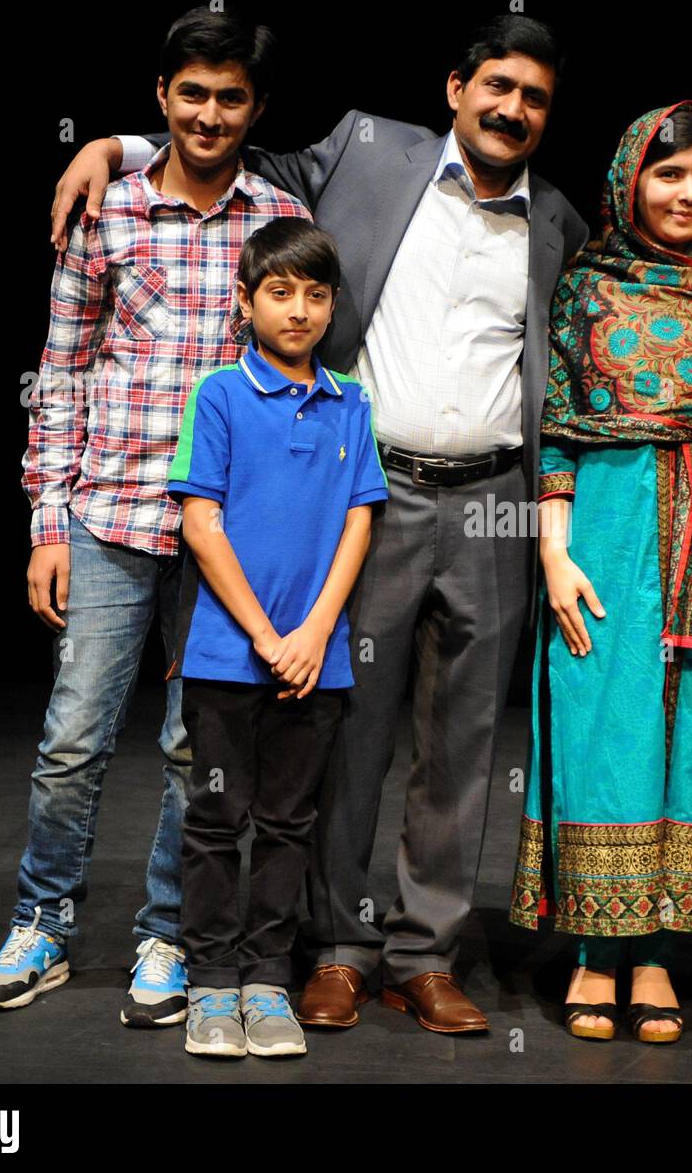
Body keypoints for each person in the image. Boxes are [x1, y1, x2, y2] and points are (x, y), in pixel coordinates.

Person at [48, 14, 587, 1034]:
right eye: (497, 87)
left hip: (490, 506)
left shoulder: (555, 219)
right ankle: (338, 944)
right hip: (372, 496)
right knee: (346, 731)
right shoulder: (368, 151)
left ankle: (426, 954)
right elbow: (222, 149)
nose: (512, 109)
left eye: (534, 98)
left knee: (461, 744)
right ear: (455, 87)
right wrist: (110, 145)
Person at [0, 8, 308, 1026]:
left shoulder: (277, 218)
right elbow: (61, 373)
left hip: (222, 541)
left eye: (231, 97)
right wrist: (46, 520)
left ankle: (167, 931)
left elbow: (293, 380)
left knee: (187, 749)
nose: (209, 115)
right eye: (191, 94)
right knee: (73, 736)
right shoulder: (105, 213)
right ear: (161, 98)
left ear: (256, 108)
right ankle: (45, 922)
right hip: (109, 522)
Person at [509, 102, 692, 1043]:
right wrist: (553, 551)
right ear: (631, 181)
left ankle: (656, 955)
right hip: (606, 536)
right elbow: (560, 424)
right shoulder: (588, 287)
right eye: (667, 173)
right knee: (603, 728)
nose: (685, 193)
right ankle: (594, 954)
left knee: (691, 730)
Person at [167, 218, 388, 1057]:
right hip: (230, 655)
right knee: (219, 817)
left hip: (316, 659)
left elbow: (361, 518)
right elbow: (201, 521)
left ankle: (266, 981)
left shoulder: (351, 400)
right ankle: (210, 983)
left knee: (292, 823)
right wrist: (266, 633)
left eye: (315, 294)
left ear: (332, 305)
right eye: (280, 292)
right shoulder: (221, 393)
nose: (299, 310)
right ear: (247, 301)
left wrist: (315, 629)